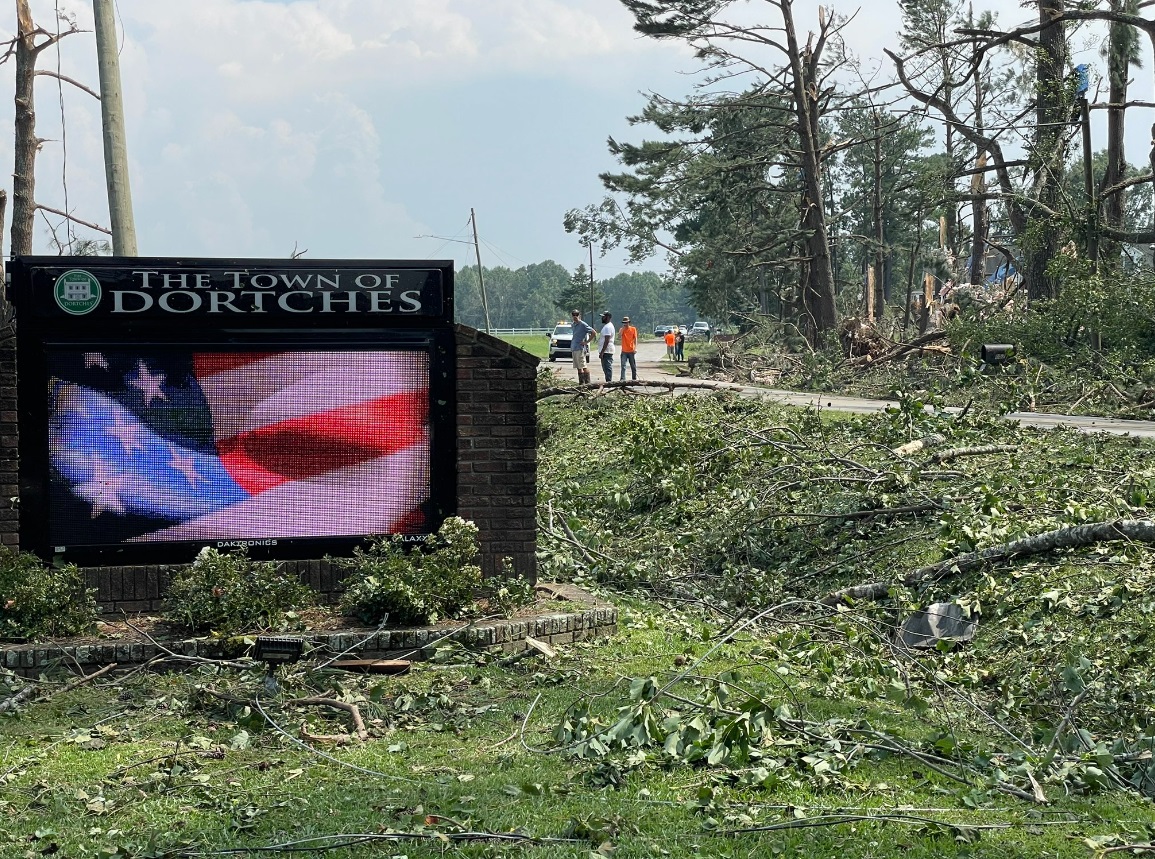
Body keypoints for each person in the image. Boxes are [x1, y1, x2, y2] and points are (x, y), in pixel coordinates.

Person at [568, 309, 595, 385]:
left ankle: (587, 383)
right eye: (573, 314)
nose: (575, 316)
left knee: (583, 366)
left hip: (580, 348)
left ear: (579, 315)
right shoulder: (573, 324)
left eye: (576, 314)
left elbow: (593, 332)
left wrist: (586, 342)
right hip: (574, 347)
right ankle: (581, 383)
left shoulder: (583, 324)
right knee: (578, 367)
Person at [597, 310, 616, 383]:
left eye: (603, 317)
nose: (602, 318)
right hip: (606, 350)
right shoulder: (607, 326)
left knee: (607, 367)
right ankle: (608, 380)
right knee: (605, 367)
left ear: (607, 317)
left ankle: (609, 381)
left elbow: (607, 340)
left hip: (607, 350)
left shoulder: (608, 327)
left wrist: (602, 352)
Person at [618, 316, 638, 381]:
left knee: (633, 366)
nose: (625, 324)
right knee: (623, 366)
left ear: (629, 322)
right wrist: (623, 329)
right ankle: (622, 379)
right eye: (624, 323)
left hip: (631, 350)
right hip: (624, 351)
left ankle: (634, 378)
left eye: (626, 322)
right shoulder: (622, 329)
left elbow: (635, 339)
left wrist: (635, 348)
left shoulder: (633, 329)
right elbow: (619, 337)